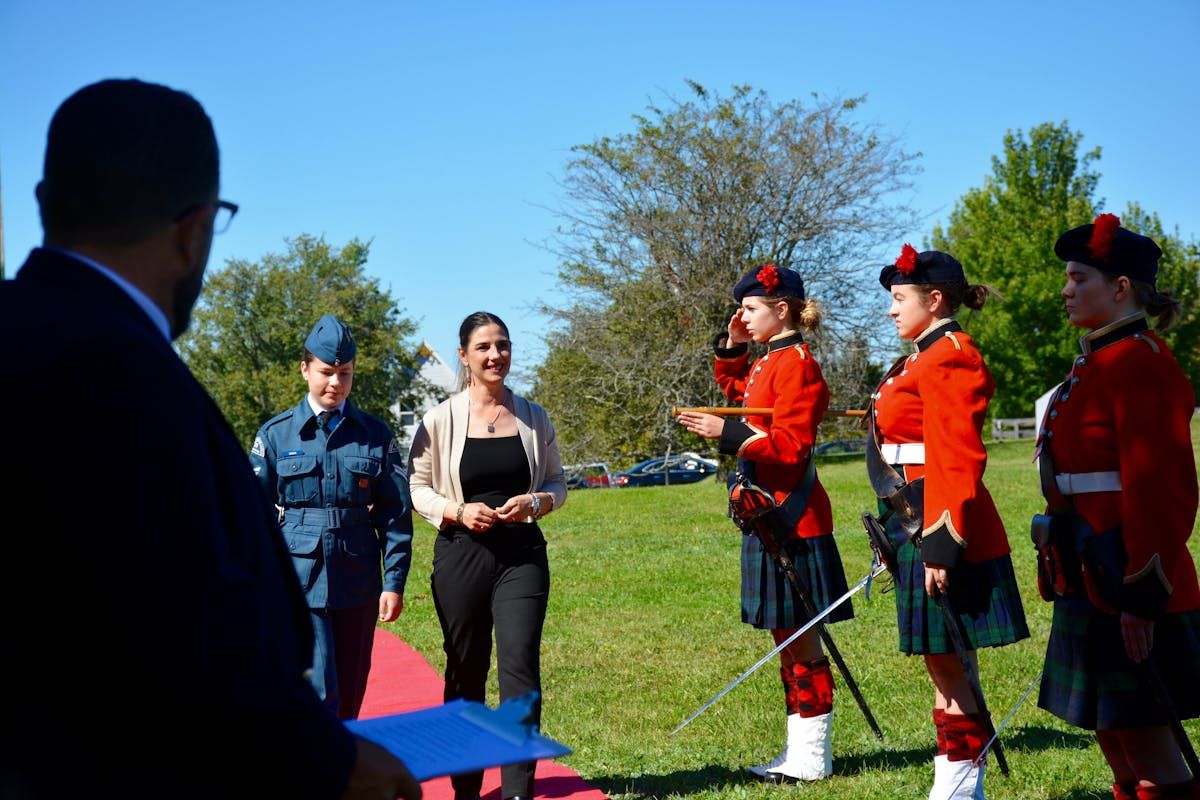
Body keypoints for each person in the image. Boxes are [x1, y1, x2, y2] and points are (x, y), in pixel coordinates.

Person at [0, 78, 419, 800]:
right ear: (192, 231)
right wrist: (331, 762)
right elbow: (180, 628)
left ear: (44, 203)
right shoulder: (124, 381)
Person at [1035, 214, 1200, 800]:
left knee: (1149, 746)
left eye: (1079, 278)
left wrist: (1141, 596)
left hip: (1126, 578)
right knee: (1116, 739)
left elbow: (1162, 493)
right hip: (1089, 571)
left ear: (1121, 287)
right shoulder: (1095, 361)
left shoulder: (1141, 363)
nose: (1066, 290)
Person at [676, 264, 852, 782]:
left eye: (750, 309)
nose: (743, 316)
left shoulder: (797, 364)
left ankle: (812, 756)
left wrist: (727, 434)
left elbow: (791, 447)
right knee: (786, 637)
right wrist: (732, 346)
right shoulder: (770, 360)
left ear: (782, 309)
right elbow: (742, 392)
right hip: (768, 515)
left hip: (794, 517)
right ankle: (800, 750)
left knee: (801, 639)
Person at [867, 246, 1029, 800]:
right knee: (942, 663)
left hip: (942, 522)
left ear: (934, 299)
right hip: (912, 511)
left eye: (899, 298)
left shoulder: (950, 356)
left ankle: (959, 787)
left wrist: (941, 542)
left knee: (952, 664)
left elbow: (957, 455)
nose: (891, 309)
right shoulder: (921, 357)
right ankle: (955, 783)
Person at [407, 311, 567, 800]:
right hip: (461, 555)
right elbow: (416, 487)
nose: (495, 355)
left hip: (522, 556)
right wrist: (457, 510)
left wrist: (537, 502)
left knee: (520, 666)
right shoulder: (438, 419)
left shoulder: (534, 416)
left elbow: (557, 483)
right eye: (483, 347)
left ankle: (518, 790)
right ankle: (467, 789)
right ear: (463, 356)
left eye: (503, 345)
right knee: (466, 669)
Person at [250, 314, 414, 721]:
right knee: (321, 690)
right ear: (305, 369)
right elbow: (252, 515)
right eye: (326, 372)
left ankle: (341, 758)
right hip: (299, 581)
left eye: (345, 374)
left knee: (352, 691)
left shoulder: (375, 435)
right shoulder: (276, 435)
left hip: (357, 579)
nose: (335, 383)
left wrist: (393, 582)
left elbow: (395, 514)